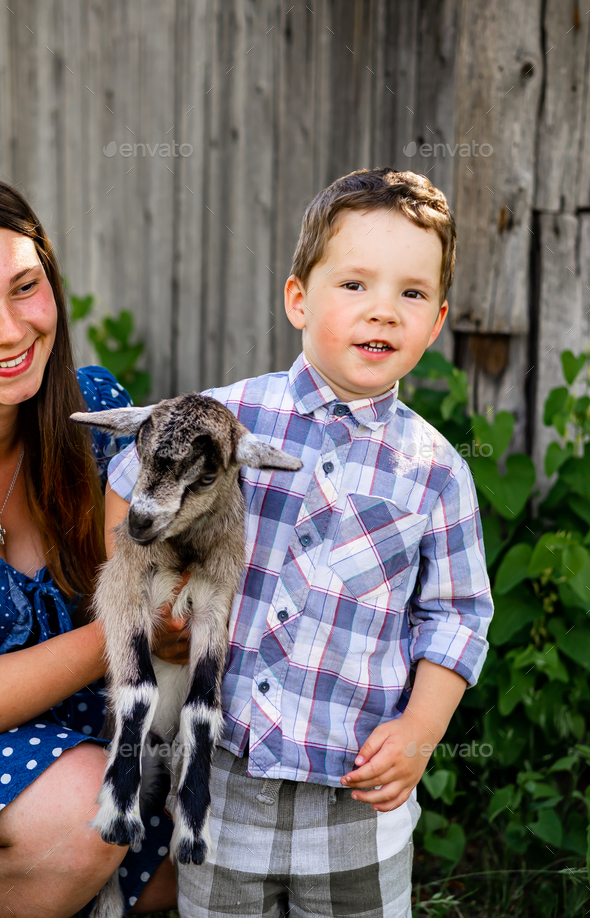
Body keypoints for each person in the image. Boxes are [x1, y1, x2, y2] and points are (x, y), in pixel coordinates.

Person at [107, 168, 494, 918]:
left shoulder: (437, 471)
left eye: (411, 294)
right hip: (224, 779)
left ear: (438, 320)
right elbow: (130, 485)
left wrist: (420, 728)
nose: (383, 311)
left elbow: (457, 616)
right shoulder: (228, 415)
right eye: (354, 285)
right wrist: (155, 599)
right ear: (298, 299)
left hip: (357, 795)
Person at [0, 181, 191, 917]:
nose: (14, 331)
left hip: (86, 741)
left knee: (215, 845)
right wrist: (122, 634)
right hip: (54, 782)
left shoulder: (93, 418)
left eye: (26, 287)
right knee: (90, 812)